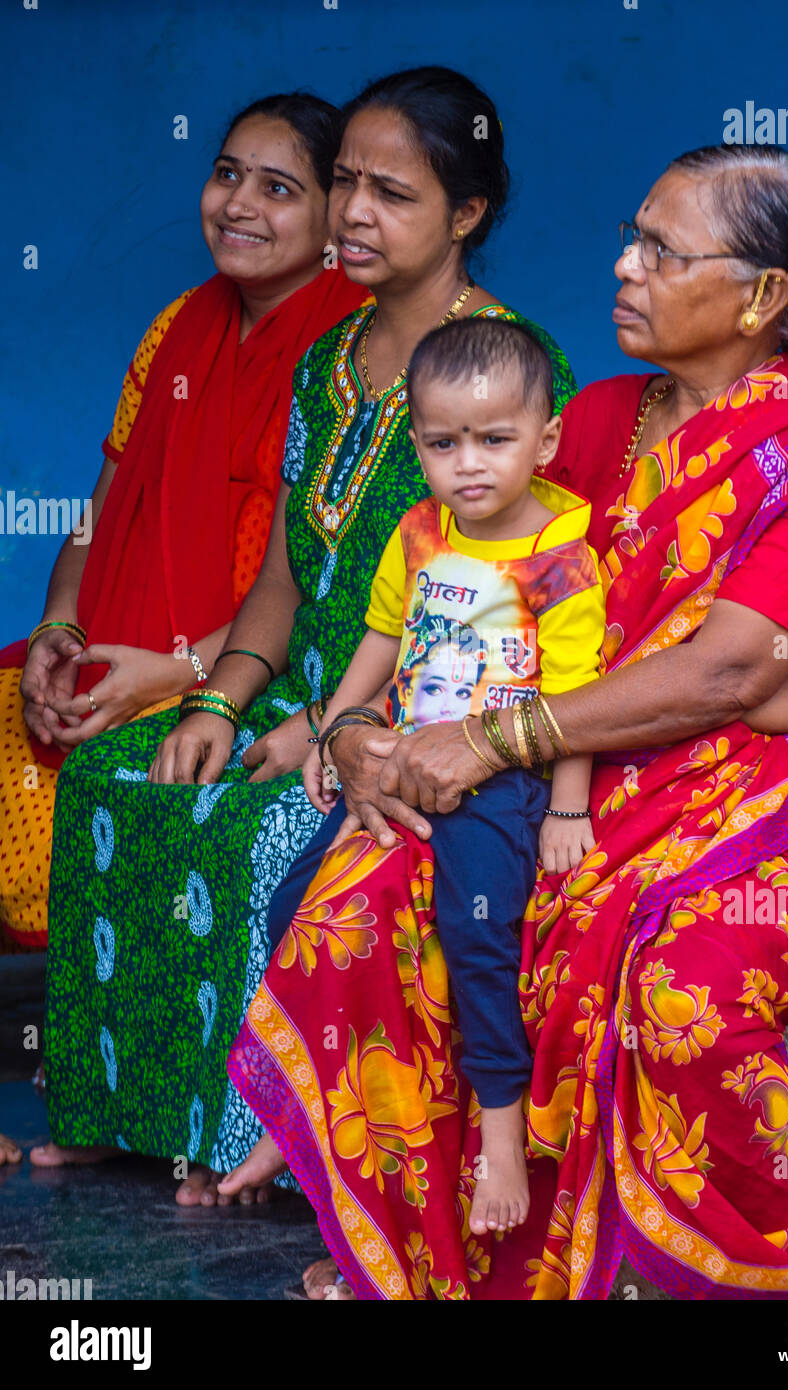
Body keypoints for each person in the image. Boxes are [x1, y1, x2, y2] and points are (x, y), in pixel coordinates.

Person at [225, 143, 788, 1299]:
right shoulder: (598, 419)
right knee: (375, 899)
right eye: (634, 235)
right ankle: (426, 1243)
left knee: (684, 986)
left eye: (662, 251)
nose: (624, 264)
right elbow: (473, 609)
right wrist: (359, 736)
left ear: (763, 296)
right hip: (595, 768)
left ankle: (776, 1287)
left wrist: (497, 739)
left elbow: (724, 678)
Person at [34, 67, 577, 1210]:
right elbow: (286, 569)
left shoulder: (513, 367)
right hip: (297, 701)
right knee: (110, 781)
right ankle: (117, 1111)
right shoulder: (328, 365)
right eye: (345, 185)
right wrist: (220, 702)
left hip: (429, 715)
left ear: (466, 214)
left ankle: (240, 1135)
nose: (354, 216)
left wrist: (335, 730)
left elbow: (519, 608)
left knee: (259, 827)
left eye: (393, 193)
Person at [0, 91, 366, 954]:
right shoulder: (176, 327)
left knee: (120, 785)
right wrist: (61, 626)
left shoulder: (351, 349)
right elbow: (102, 508)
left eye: (277, 189)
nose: (237, 202)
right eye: (227, 173)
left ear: (330, 223)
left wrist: (178, 673)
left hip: (256, 669)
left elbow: (314, 576)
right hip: (120, 646)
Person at [280, 316, 604, 1236]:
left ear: (543, 441)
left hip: (504, 781)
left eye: (494, 440)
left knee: (476, 942)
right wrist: (332, 730)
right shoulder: (419, 532)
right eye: (442, 442)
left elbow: (580, 695)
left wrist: (565, 808)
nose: (468, 464)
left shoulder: (561, 556)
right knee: (298, 900)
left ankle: (500, 1134)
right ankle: (297, 1118)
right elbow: (382, 639)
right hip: (403, 761)